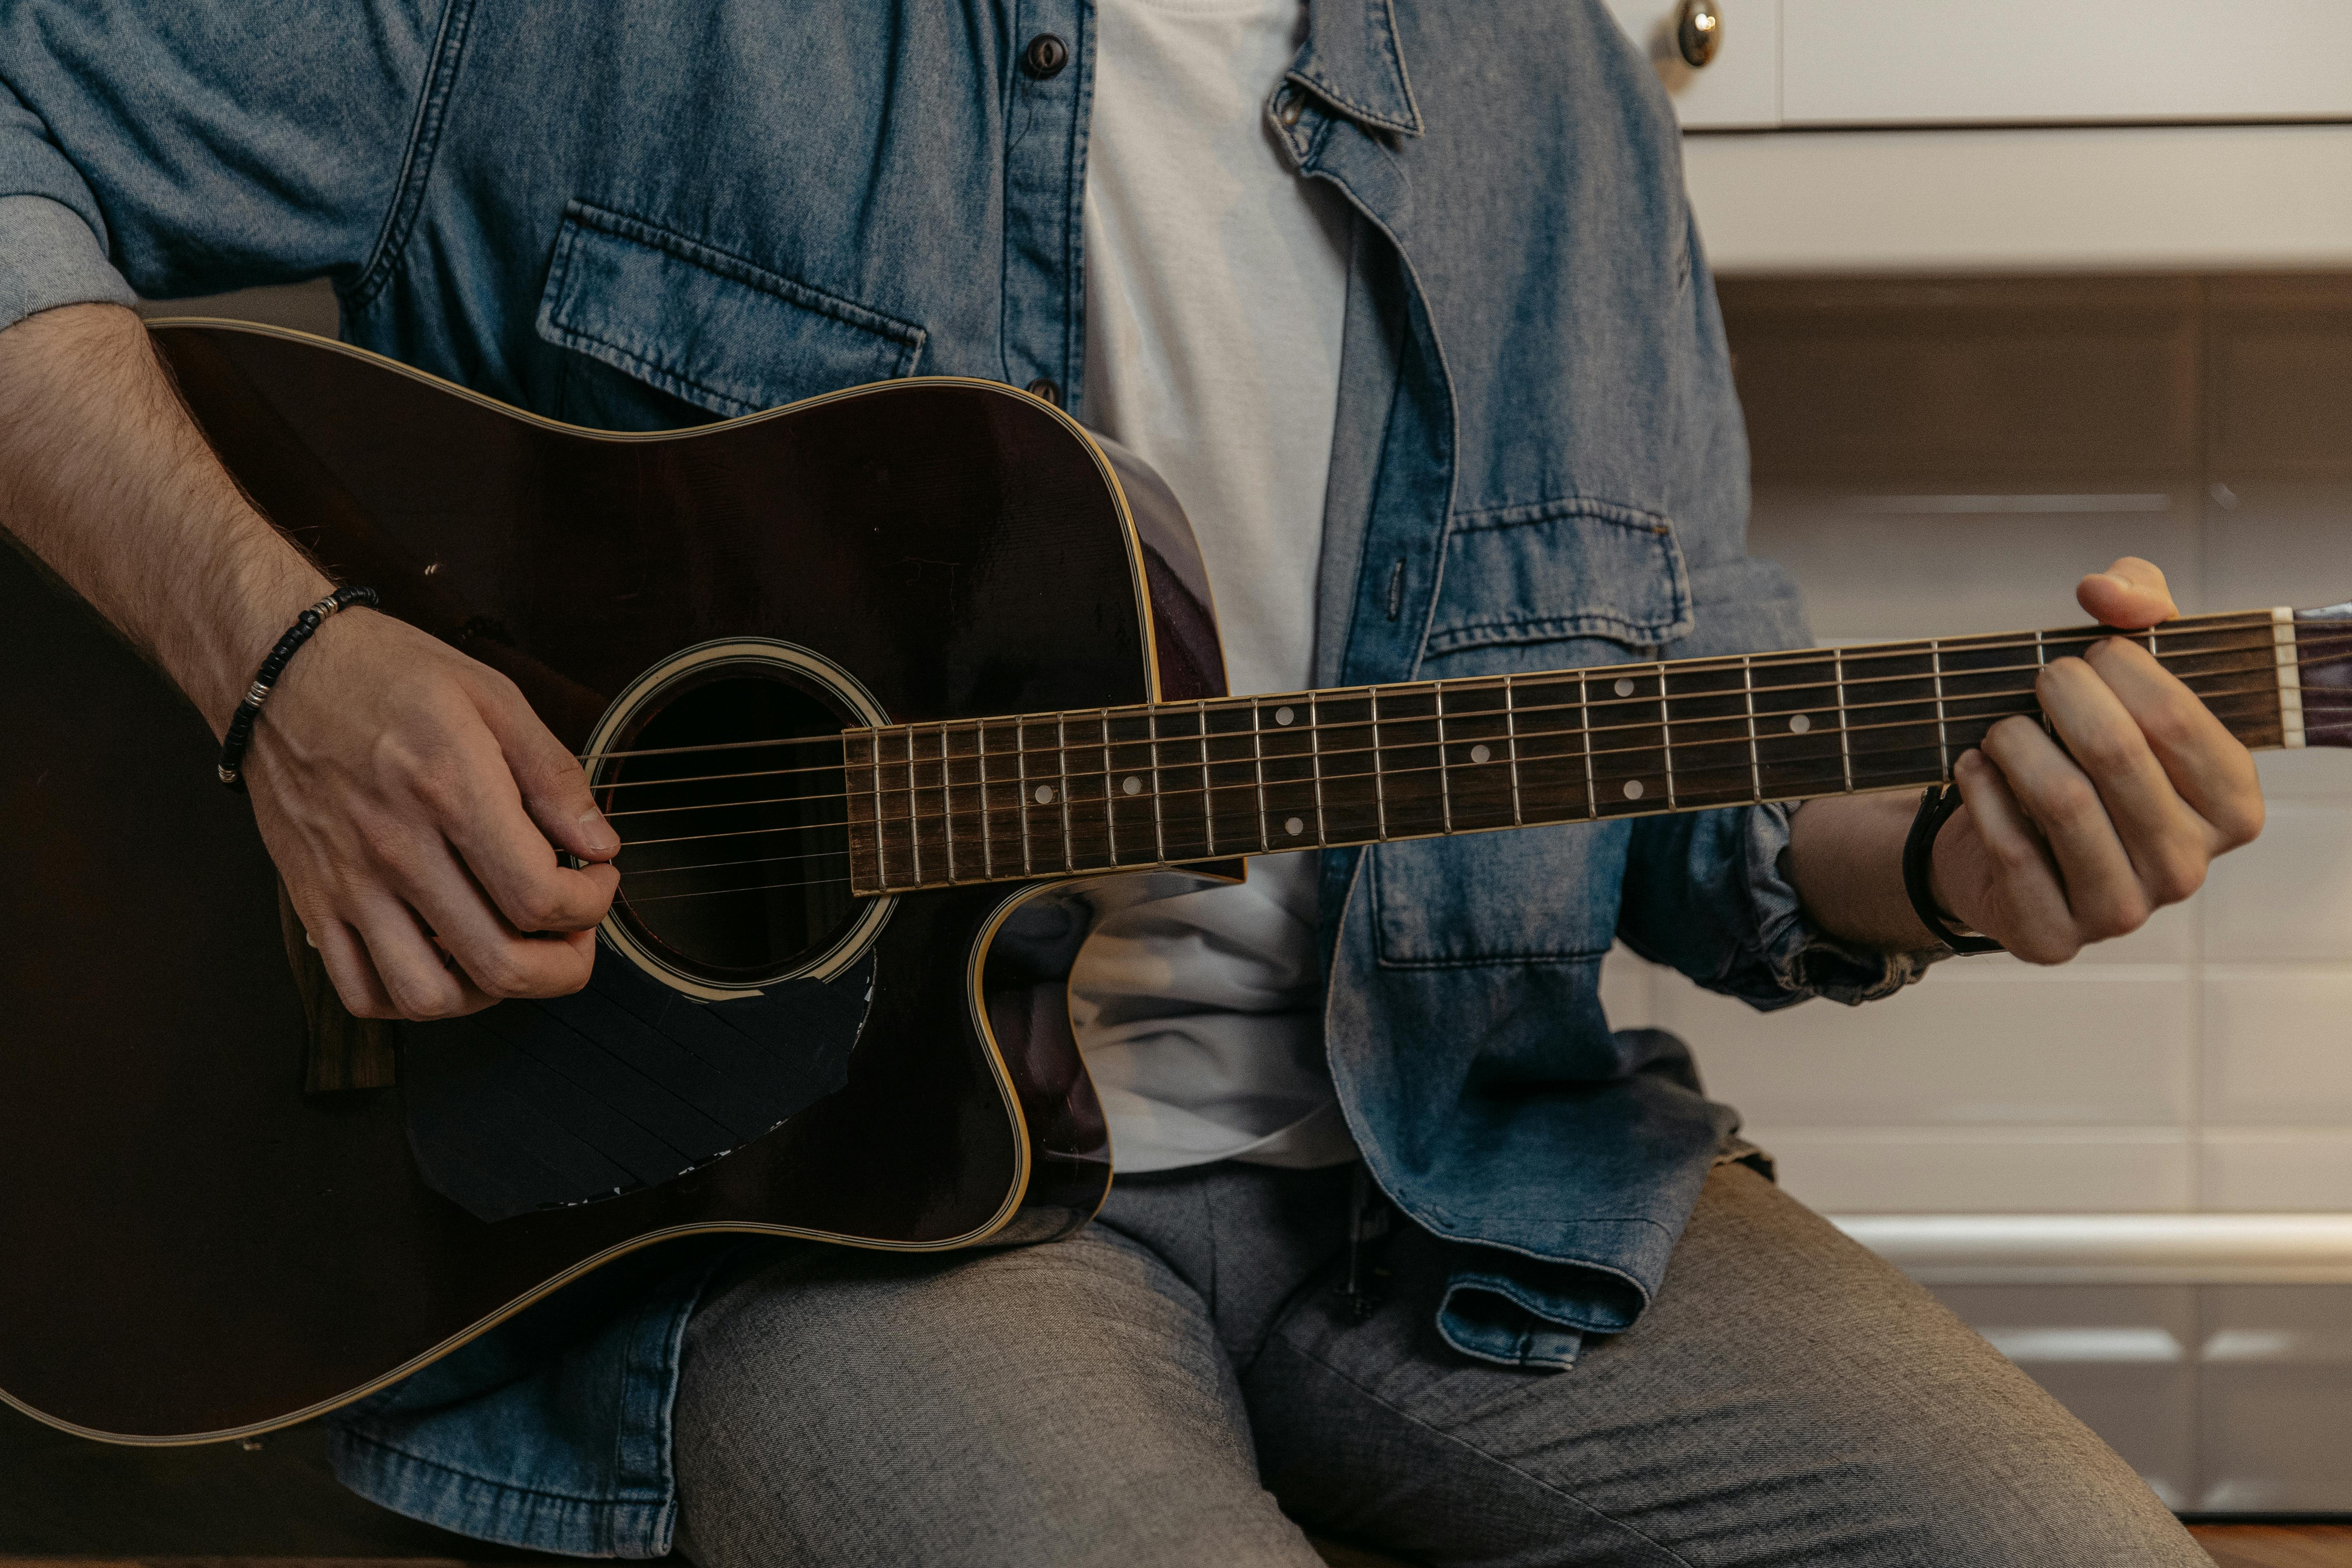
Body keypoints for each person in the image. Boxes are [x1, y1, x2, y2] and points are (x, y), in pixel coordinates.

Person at [0, 2, 2260, 1563]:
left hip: (1460, 1180)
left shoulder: (1541, 91)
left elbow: (1701, 784)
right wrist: (277, 661)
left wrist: (1961, 860)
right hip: (839, 1216)